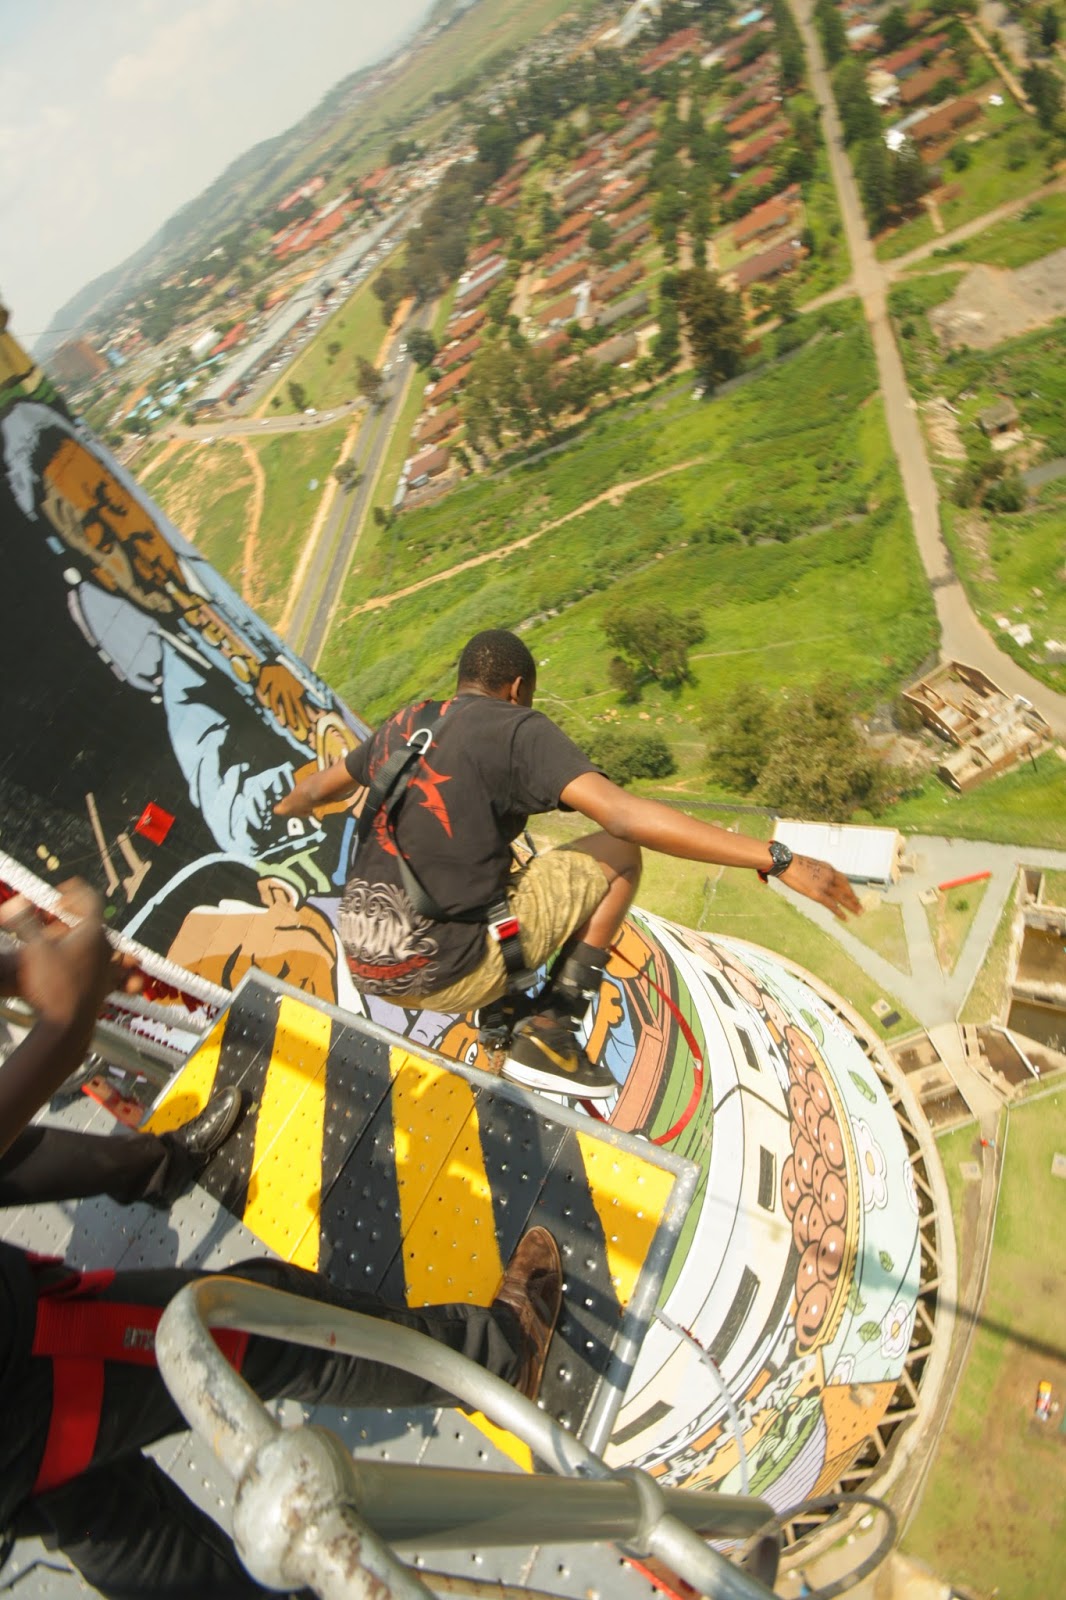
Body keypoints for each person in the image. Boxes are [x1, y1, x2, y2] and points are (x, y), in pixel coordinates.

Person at [0, 884, 562, 1599]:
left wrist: (22, 972)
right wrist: (63, 1021)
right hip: (19, 1371)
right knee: (261, 1323)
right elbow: (61, 1030)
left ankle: (159, 1167)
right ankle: (501, 1356)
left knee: (97, 1511)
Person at [275, 629, 862, 1100]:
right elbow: (625, 819)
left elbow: (323, 786)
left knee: (499, 862)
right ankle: (550, 1026)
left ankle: (502, 1007)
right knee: (618, 857)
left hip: (367, 963)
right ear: (517, 688)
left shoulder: (406, 724)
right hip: (446, 969)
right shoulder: (515, 730)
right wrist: (776, 858)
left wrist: (292, 803)